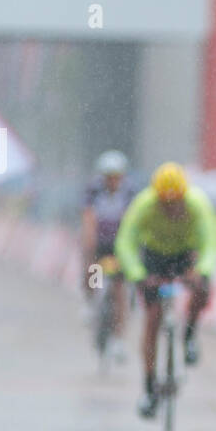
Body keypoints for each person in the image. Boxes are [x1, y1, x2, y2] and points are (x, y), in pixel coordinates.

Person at [115, 163, 216, 419]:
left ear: (184, 196)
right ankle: (149, 389)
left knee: (203, 289)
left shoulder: (198, 205)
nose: (172, 209)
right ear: (157, 198)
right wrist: (138, 276)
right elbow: (125, 242)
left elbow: (211, 243)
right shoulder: (143, 205)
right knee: (153, 318)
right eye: (165, 204)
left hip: (186, 255)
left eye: (177, 203)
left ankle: (190, 335)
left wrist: (202, 272)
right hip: (154, 257)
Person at [81, 150, 135, 361]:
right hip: (99, 239)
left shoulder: (129, 191)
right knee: (91, 264)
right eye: (108, 176)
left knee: (119, 289)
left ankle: (119, 340)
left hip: (119, 241)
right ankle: (89, 298)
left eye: (116, 176)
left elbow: (132, 220)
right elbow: (88, 217)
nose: (112, 181)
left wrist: (128, 249)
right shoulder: (94, 189)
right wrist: (90, 243)